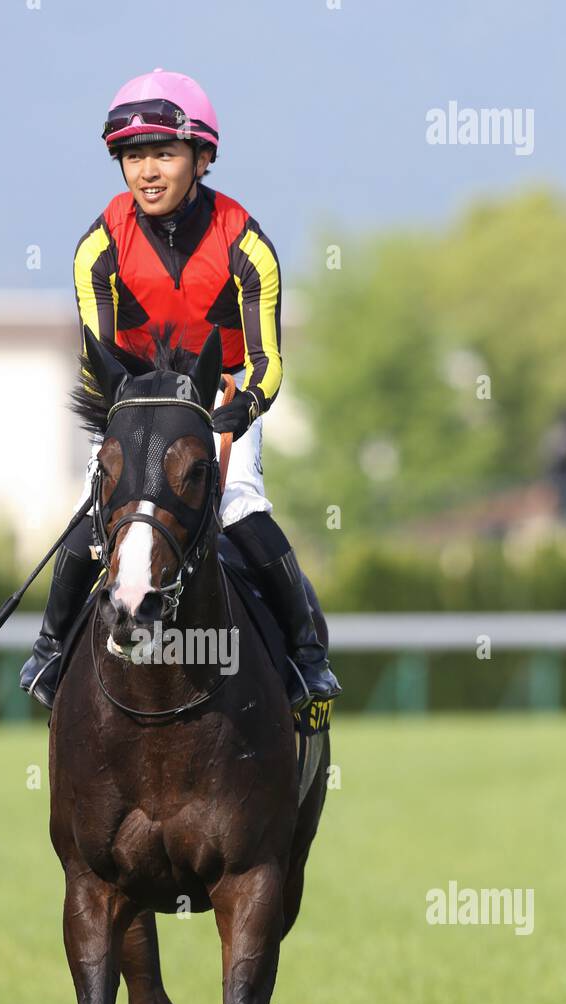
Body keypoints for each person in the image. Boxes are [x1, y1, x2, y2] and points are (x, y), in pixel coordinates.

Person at [20, 69, 339, 709]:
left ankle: (308, 658)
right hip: (137, 404)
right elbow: (97, 361)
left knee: (241, 507)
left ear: (203, 157)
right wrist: (129, 420)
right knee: (99, 516)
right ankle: (51, 650)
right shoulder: (98, 248)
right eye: (133, 157)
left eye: (163, 153)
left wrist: (240, 411)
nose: (147, 171)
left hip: (219, 400)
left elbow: (266, 360)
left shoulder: (246, 243)